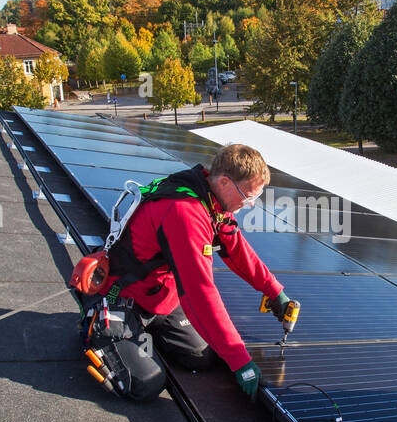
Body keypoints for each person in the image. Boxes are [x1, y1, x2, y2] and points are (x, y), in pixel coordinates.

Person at [76, 143, 295, 402]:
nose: (248, 205)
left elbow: (237, 249)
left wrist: (275, 291)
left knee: (203, 356)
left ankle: (142, 333)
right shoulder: (185, 212)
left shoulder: (211, 200)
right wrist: (240, 361)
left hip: (159, 298)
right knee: (145, 383)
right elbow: (199, 293)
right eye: (247, 197)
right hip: (123, 296)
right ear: (224, 182)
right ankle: (101, 327)